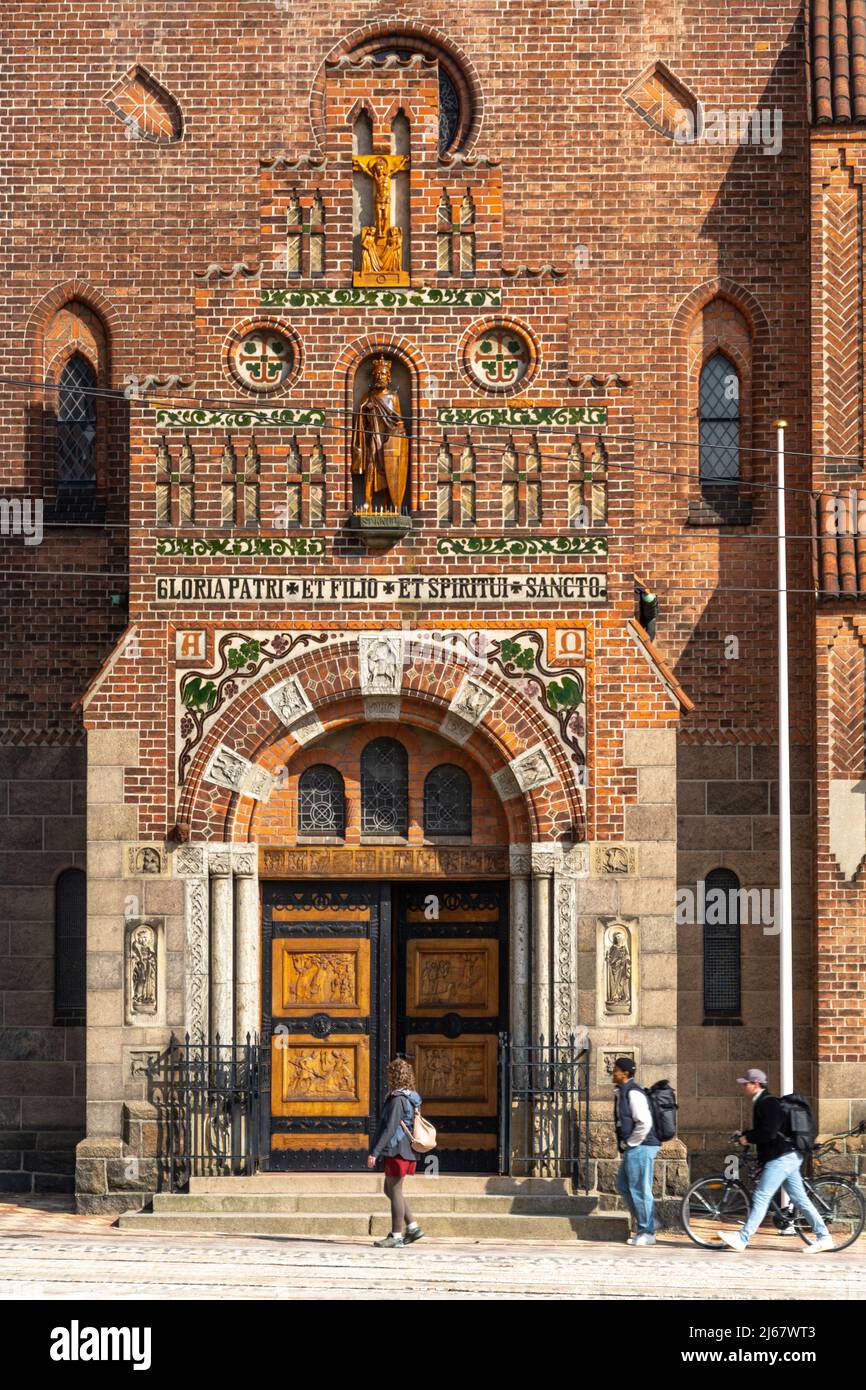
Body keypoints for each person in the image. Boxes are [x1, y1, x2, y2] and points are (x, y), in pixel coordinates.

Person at [718, 1068, 834, 1253]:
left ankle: (742, 1238)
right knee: (800, 1199)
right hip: (788, 1156)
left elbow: (770, 1132)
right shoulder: (764, 1101)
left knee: (761, 1196)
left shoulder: (768, 1102)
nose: (743, 1087)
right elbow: (768, 1129)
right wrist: (745, 1134)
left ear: (756, 1084)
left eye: (746, 1083)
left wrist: (748, 1138)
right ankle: (825, 1238)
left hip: (781, 1158)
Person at [367, 1057, 425, 1248]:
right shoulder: (412, 1098)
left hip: (397, 1149)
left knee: (396, 1190)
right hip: (405, 1149)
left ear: (393, 1077)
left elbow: (390, 1128)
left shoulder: (398, 1099)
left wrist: (375, 1152)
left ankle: (396, 1236)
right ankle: (413, 1227)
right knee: (390, 1189)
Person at [612, 1056, 660, 1246]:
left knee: (640, 1189)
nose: (613, 1072)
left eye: (616, 1070)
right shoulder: (622, 1091)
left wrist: (631, 1143)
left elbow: (645, 1123)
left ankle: (647, 1232)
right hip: (636, 1147)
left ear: (625, 1073)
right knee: (624, 1186)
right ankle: (647, 1221)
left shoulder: (633, 1092)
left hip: (642, 1146)